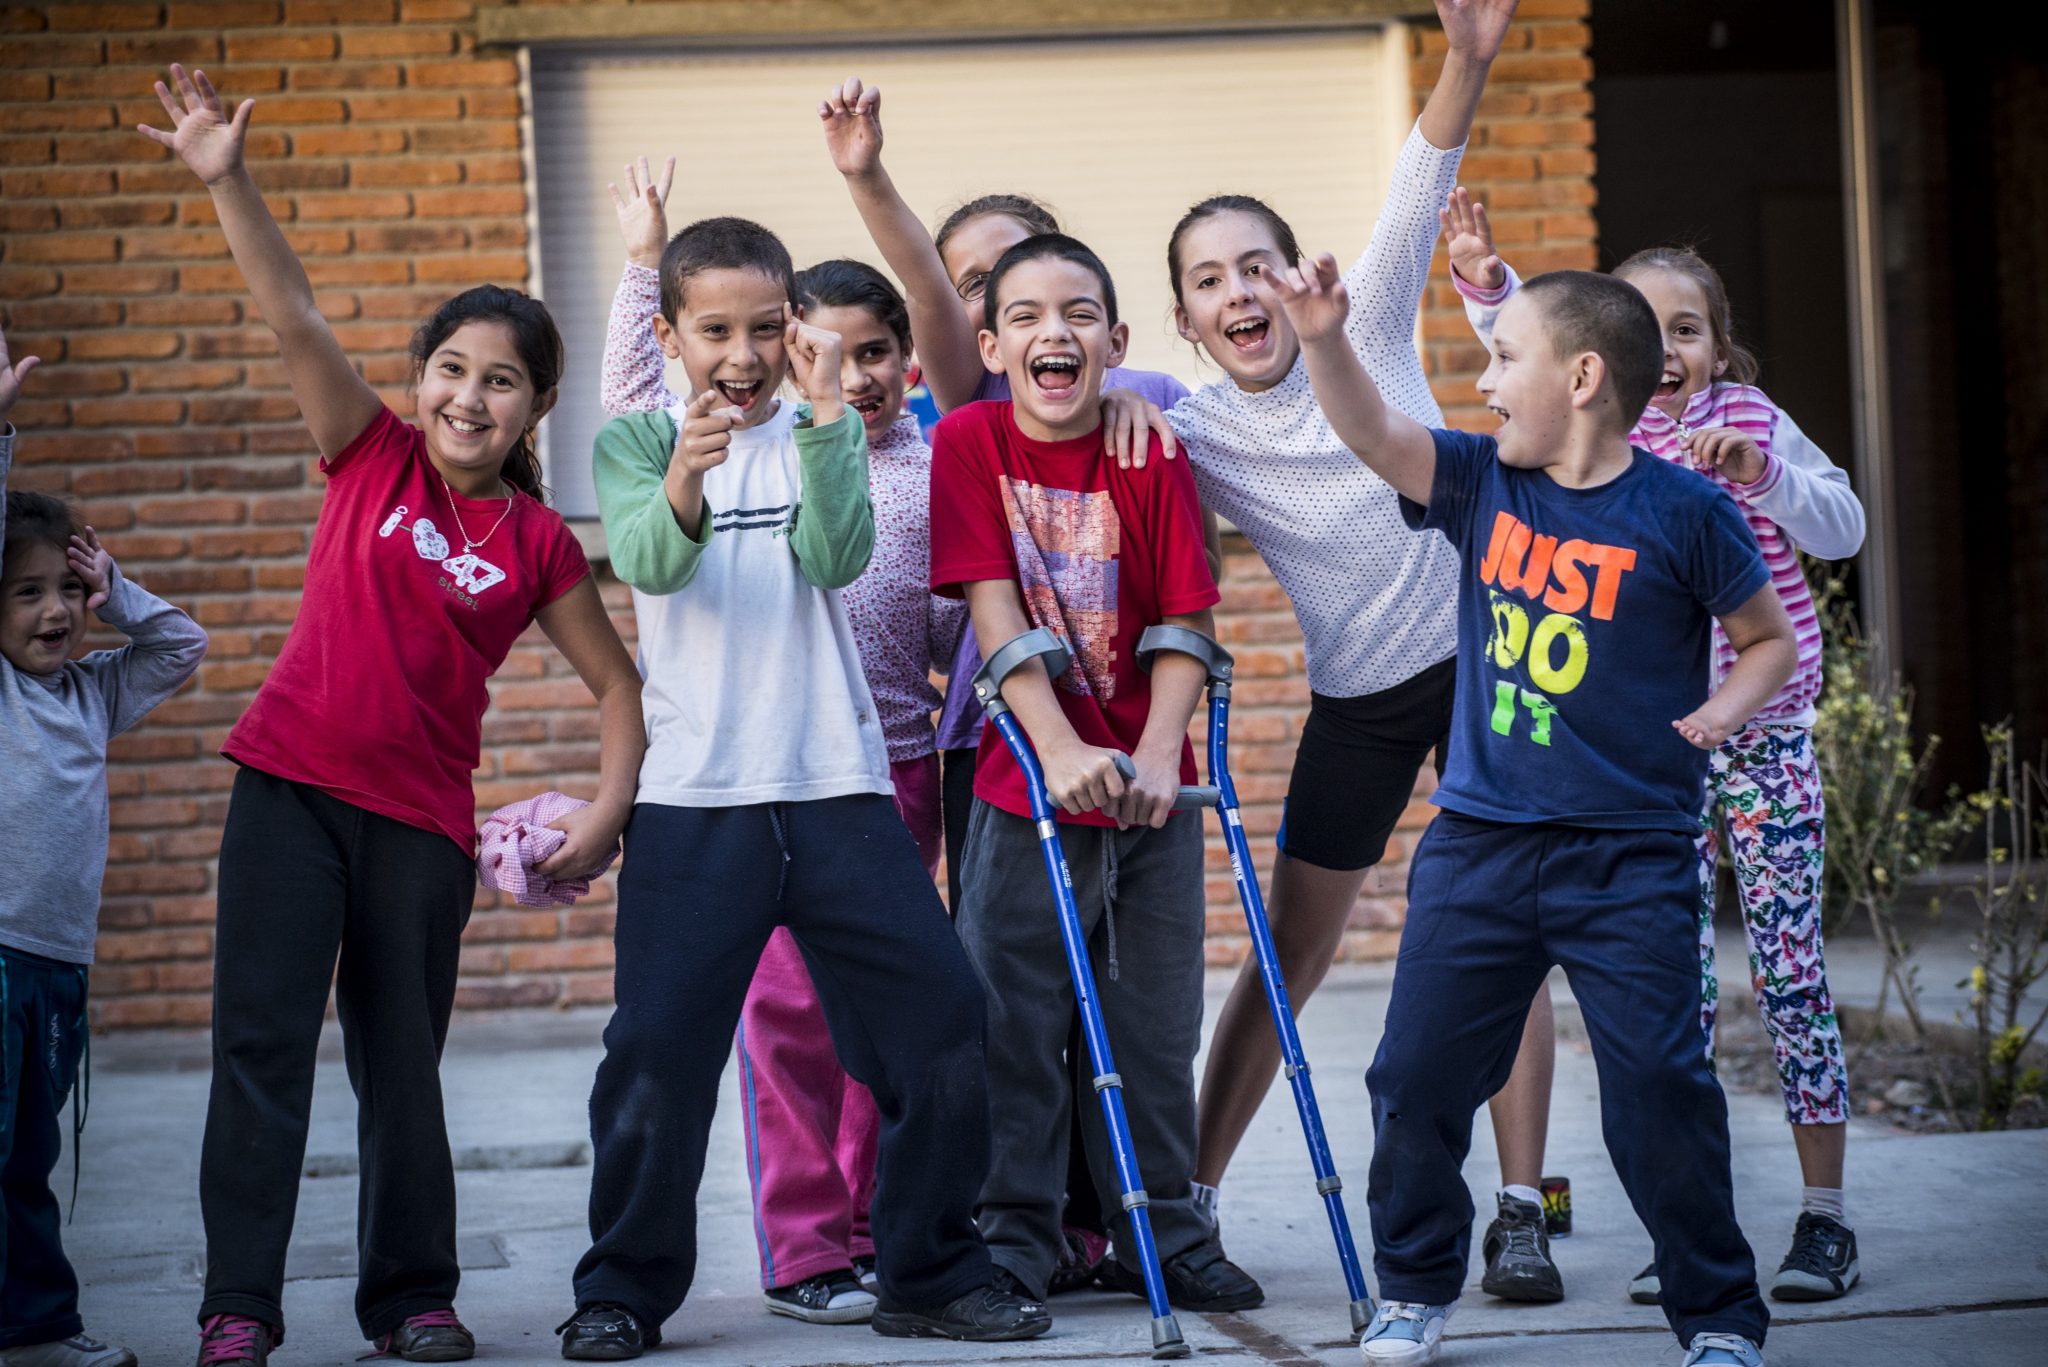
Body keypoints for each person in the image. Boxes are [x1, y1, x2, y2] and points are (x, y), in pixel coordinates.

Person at [141, 65, 647, 1367]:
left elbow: (619, 686)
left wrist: (606, 808)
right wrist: (226, 177)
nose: (470, 398)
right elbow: (294, 311)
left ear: (538, 406)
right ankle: (238, 1306)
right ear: (421, 380)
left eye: (503, 382)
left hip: (420, 829)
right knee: (260, 1050)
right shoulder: (367, 451)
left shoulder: (537, 538)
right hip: (289, 793)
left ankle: (412, 1296)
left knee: (401, 1071)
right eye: (452, 370)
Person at [1259, 251, 1792, 1367]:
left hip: (1631, 851)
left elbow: (1765, 640)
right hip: (1479, 845)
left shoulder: (1687, 511)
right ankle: (1410, 1286)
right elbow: (1370, 433)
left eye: (1504, 358)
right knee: (1413, 1077)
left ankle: (1717, 1312)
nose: (1485, 381)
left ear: (1583, 375)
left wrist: (1717, 712)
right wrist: (1319, 338)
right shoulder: (1477, 481)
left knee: (1657, 1085)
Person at [560, 215, 1047, 1359]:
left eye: (765, 326)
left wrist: (826, 415)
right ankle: (623, 1289)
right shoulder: (634, 438)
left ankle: (926, 1267)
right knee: (655, 1056)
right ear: (671, 336)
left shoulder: (824, 432)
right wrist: (684, 461)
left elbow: (835, 554)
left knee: (940, 1023)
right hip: (696, 801)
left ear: (793, 328)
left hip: (839, 788)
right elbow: (650, 561)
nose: (741, 351)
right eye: (714, 329)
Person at [1159, 0, 1565, 1304]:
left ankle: (1518, 1209)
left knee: (1506, 930)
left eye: (1254, 265)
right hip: (1361, 699)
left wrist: (1467, 58)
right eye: (1208, 278)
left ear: (1296, 275)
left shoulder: (1364, 315)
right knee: (1291, 947)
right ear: (1182, 321)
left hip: (1486, 654)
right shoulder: (1196, 430)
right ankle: (1192, 1197)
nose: (1239, 290)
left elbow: (1417, 176)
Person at [1446, 199, 1867, 1304]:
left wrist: (1763, 476)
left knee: (1788, 975)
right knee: (1663, 999)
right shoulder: (1602, 444)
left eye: (1687, 329)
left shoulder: (1750, 421)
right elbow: (1537, 348)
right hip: (1650, 763)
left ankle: (1822, 1216)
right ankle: (1680, 1223)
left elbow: (1842, 527)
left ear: (1717, 349)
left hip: (1763, 739)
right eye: (1648, 327)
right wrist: (1485, 284)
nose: (1668, 348)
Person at [929, 232, 1260, 1317]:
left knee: (1151, 1022)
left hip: (1149, 791)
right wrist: (1061, 748)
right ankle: (1014, 1236)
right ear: (990, 343)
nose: (1051, 333)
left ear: (1114, 343)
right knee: (1012, 1022)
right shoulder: (969, 441)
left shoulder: (1149, 448)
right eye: (1023, 316)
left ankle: (1160, 1225)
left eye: (1077, 314)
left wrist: (1159, 748)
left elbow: (1185, 613)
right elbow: (992, 605)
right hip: (1022, 790)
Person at [0, 324, 205, 1367]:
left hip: (55, 965)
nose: (53, 611)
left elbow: (180, 645)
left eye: (65, 593)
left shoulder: (89, 692)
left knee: (29, 1156)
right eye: (25, 590)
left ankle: (33, 1328)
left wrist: (115, 586)